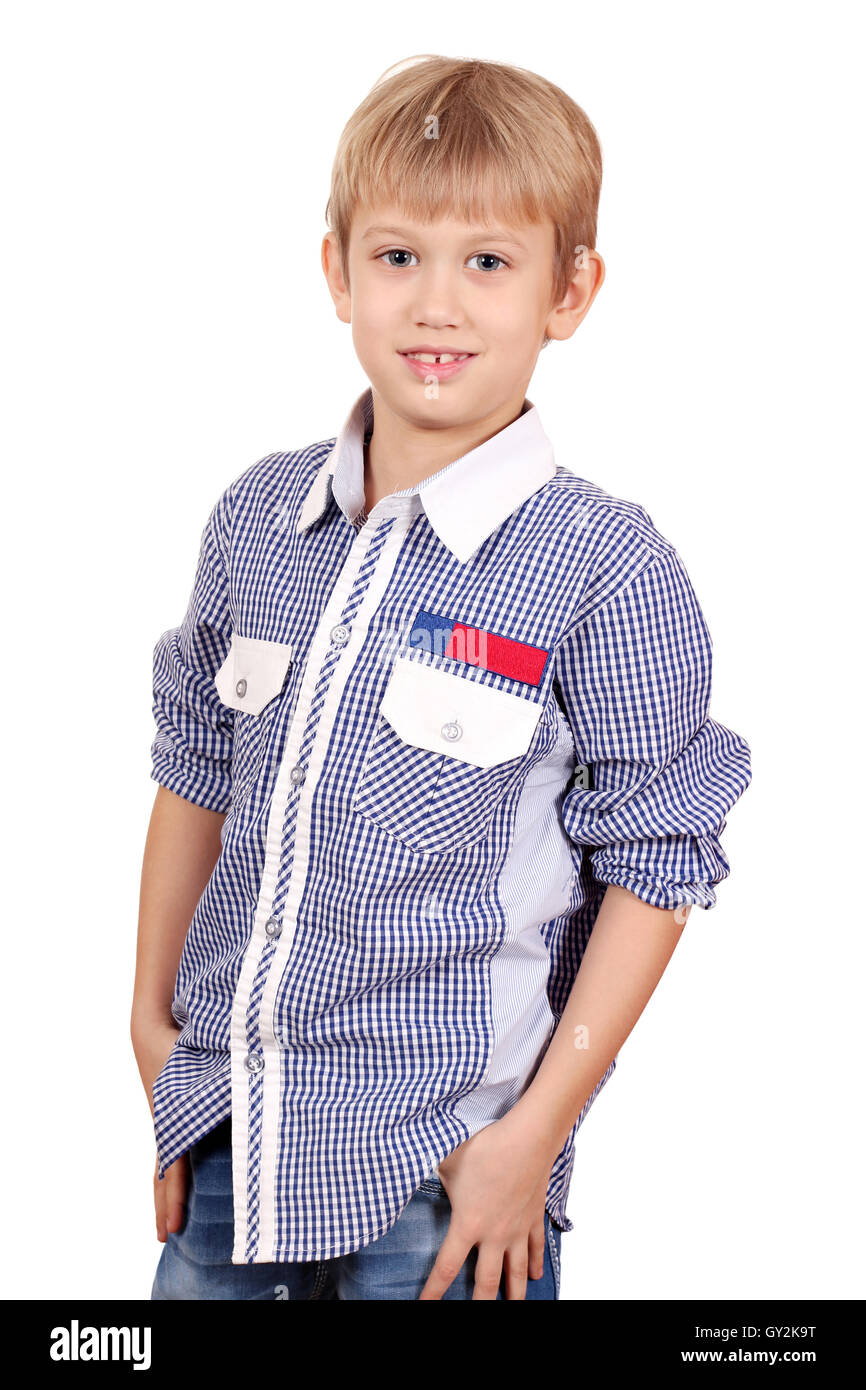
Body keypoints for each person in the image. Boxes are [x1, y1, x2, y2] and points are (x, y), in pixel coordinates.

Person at [132, 54, 753, 1301]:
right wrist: (152, 1037)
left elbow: (656, 866)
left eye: (488, 261)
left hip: (447, 1183)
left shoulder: (602, 563)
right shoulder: (259, 518)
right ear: (336, 272)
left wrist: (530, 1142)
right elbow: (193, 770)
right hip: (228, 1148)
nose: (435, 305)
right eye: (398, 256)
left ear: (567, 291)